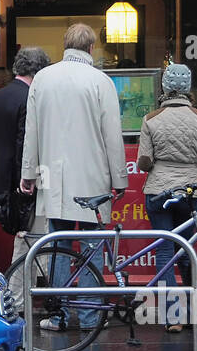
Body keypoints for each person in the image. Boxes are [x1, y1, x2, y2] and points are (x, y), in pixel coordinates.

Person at [19, 23, 129, 331]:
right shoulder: (101, 81)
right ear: (92, 48)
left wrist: (28, 173)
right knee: (93, 247)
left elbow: (32, 133)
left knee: (58, 246)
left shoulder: (42, 78)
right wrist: (119, 178)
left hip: (53, 178)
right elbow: (112, 135)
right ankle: (93, 316)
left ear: (64, 45)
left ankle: (59, 315)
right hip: (92, 178)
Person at [138, 62, 197, 332]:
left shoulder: (151, 119)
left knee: (164, 249)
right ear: (188, 88)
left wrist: (159, 164)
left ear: (164, 87)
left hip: (158, 191)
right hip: (188, 191)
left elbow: (144, 162)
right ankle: (194, 310)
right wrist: (194, 168)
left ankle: (173, 316)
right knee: (187, 249)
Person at [0, 47, 52, 281]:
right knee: (32, 237)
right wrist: (28, 179)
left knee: (25, 236)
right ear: (38, 72)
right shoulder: (29, 98)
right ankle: (26, 294)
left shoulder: (1, 95)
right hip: (23, 179)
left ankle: (27, 292)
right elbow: (23, 144)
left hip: (2, 176)